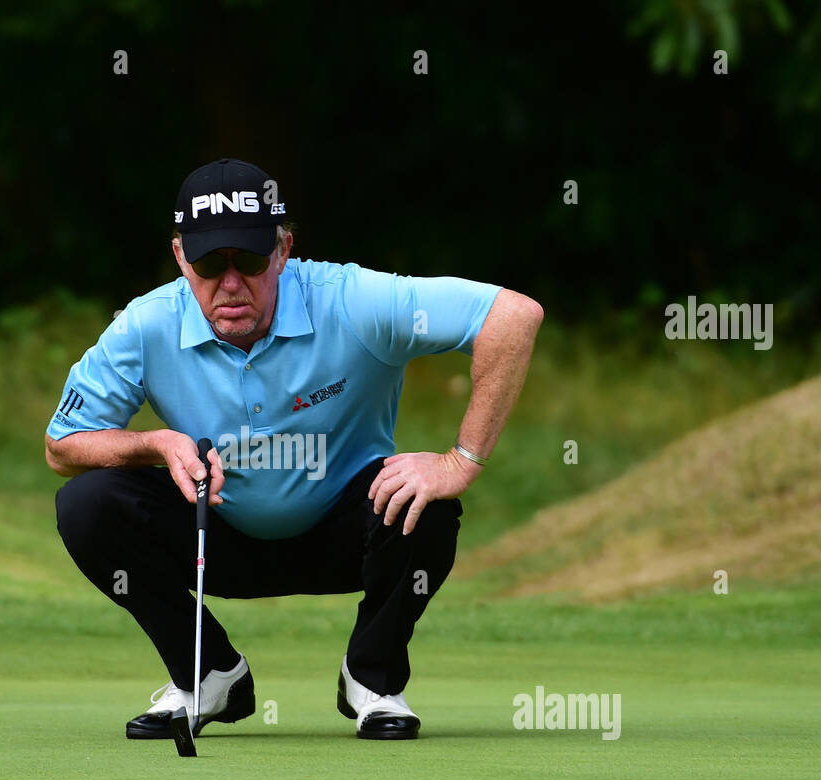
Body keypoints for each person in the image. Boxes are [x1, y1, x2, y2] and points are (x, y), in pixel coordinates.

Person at [46, 158, 542, 740]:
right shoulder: (144, 326)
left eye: (250, 261)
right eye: (209, 263)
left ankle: (372, 679)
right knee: (87, 504)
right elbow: (62, 444)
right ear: (181, 256)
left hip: (352, 531)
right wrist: (156, 442)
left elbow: (513, 315)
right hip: (215, 538)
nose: (231, 283)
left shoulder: (352, 300)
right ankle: (205, 674)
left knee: (427, 501)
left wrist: (461, 461)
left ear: (282, 250)